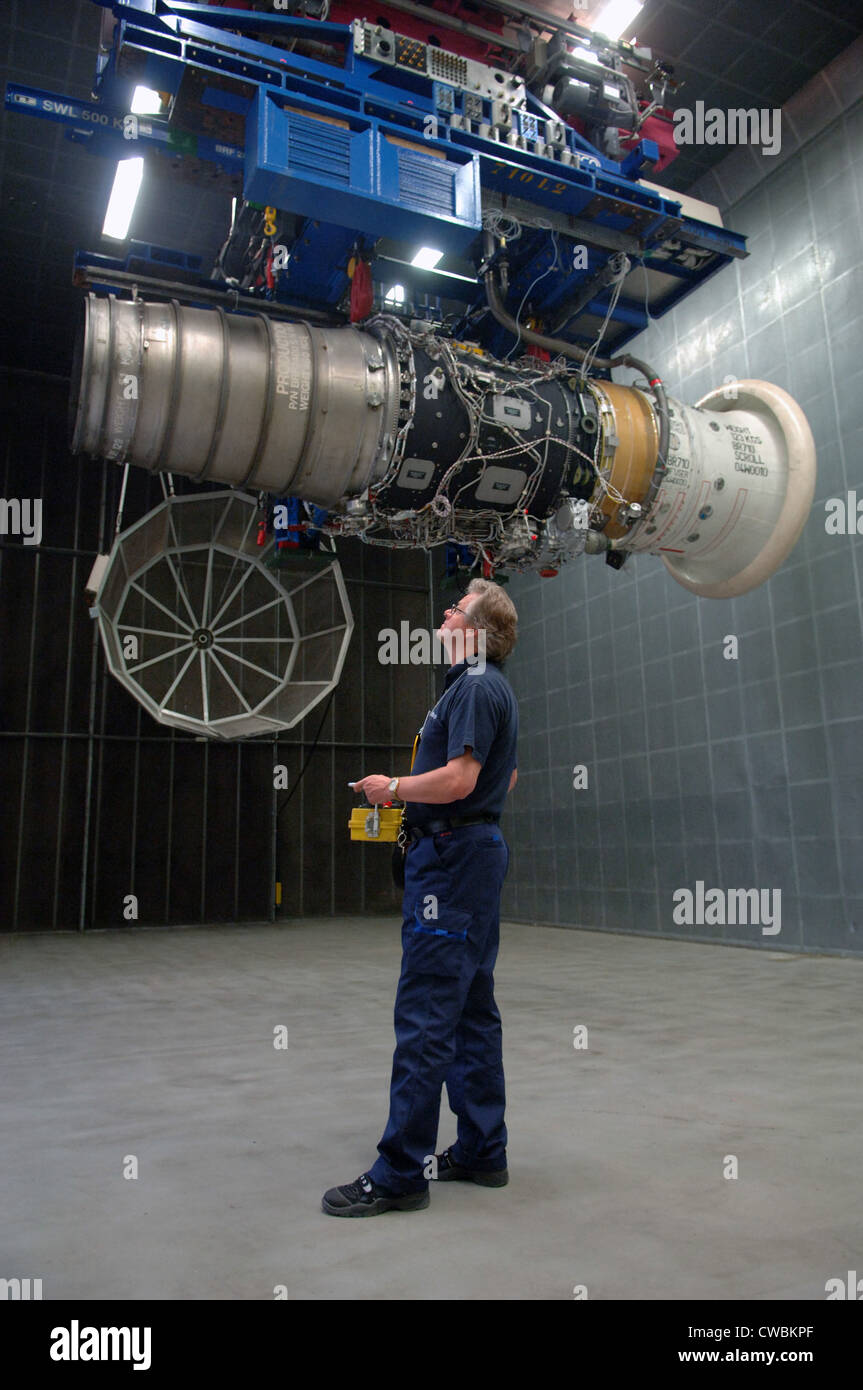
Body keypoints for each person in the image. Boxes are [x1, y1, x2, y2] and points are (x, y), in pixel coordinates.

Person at [322, 578, 519, 1216]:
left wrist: (395, 788)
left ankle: (401, 1172)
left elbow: (463, 778)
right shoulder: (483, 690)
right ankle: (483, 1149)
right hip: (470, 855)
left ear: (478, 630)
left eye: (456, 607)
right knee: (470, 1009)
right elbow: (503, 777)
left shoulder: (475, 684)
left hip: (454, 862)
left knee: (428, 1012)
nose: (444, 611)